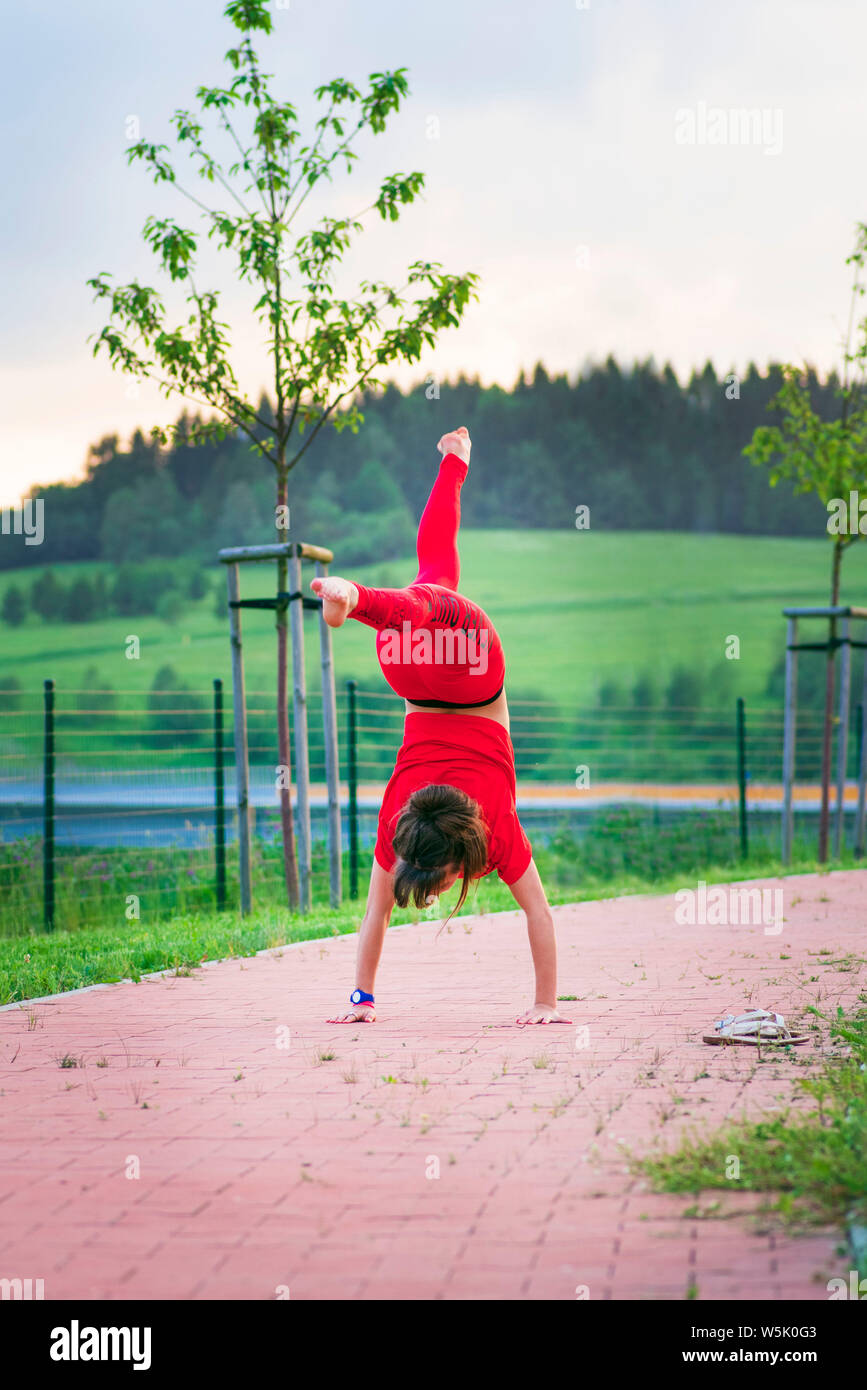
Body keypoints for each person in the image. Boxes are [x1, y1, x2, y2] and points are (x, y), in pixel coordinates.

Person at [311, 427, 569, 1027]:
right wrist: (543, 1007)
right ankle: (364, 590)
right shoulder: (410, 821)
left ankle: (357, 592)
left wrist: (546, 1005)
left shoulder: (480, 831)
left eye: (428, 884)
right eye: (432, 885)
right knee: (431, 589)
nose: (427, 894)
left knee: (431, 591)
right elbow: (379, 912)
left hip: (461, 675)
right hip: (419, 670)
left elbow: (539, 914)